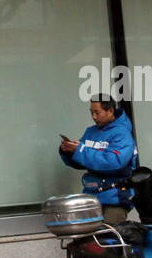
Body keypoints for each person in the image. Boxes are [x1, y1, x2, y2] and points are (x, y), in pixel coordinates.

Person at [59, 94, 138, 222]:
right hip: (91, 196)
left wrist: (80, 151)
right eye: (91, 112)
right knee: (84, 238)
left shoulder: (122, 134)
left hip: (115, 198)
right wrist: (69, 152)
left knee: (108, 237)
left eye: (97, 112)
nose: (94, 117)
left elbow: (114, 163)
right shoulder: (91, 132)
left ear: (110, 111)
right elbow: (83, 160)